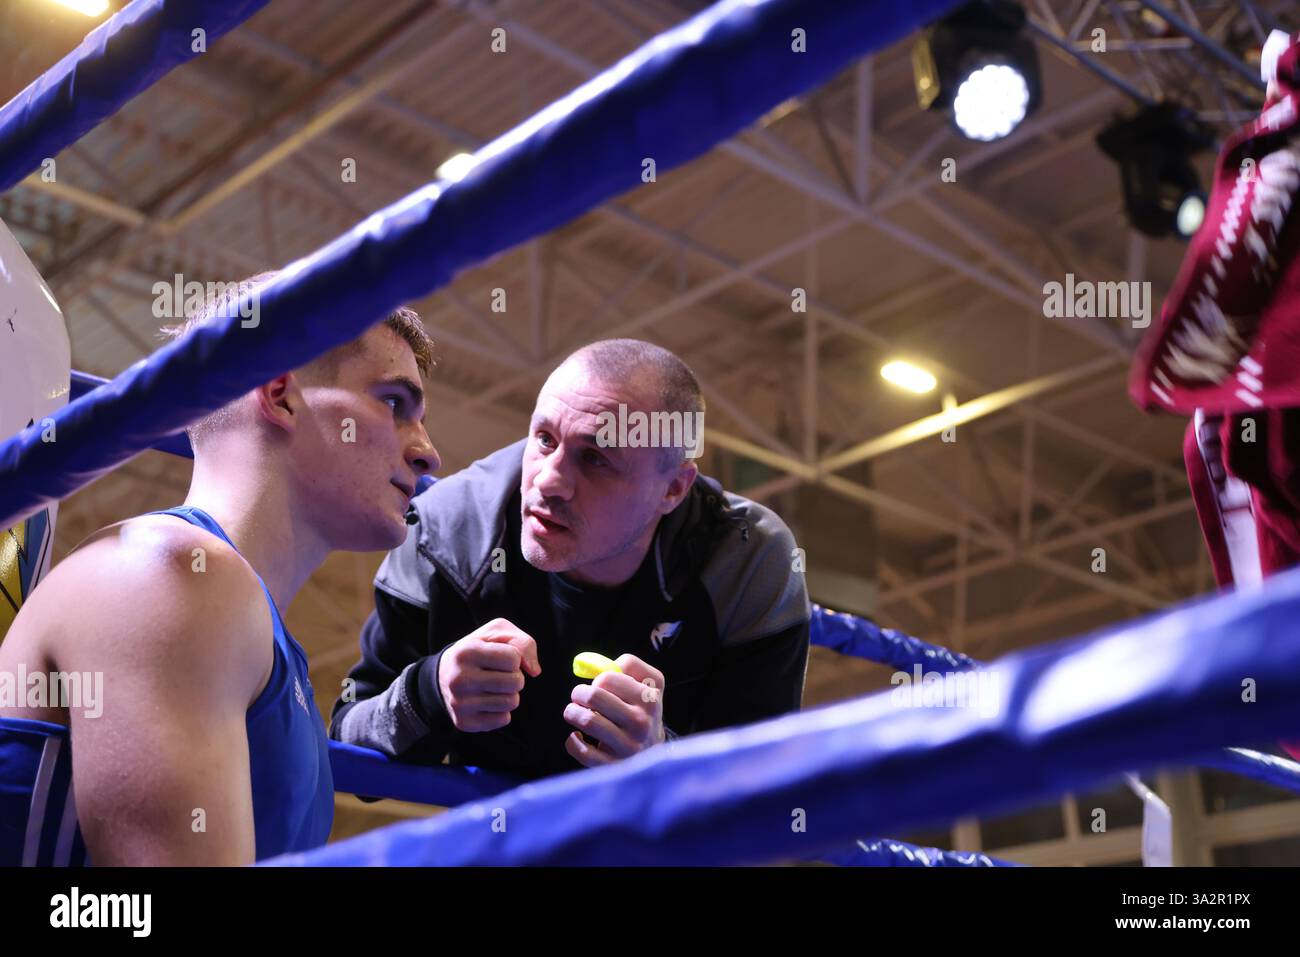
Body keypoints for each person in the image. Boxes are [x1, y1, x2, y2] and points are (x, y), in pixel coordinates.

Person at [0, 274, 439, 865]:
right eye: (394, 402)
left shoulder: (266, 642)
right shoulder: (169, 571)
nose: (427, 451)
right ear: (280, 393)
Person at [332, 338, 809, 780]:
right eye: (544, 440)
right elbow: (347, 740)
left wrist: (661, 757)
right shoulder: (446, 532)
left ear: (673, 489)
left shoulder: (746, 560)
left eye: (596, 458)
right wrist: (430, 692)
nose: (547, 482)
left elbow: (765, 791)